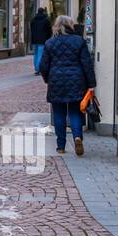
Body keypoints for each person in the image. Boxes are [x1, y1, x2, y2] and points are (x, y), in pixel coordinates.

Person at [38, 14, 95, 156]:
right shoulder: (79, 41)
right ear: (71, 25)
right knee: (75, 112)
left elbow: (43, 66)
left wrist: (47, 79)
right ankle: (77, 137)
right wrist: (91, 84)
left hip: (56, 81)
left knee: (59, 114)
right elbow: (86, 64)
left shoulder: (50, 43)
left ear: (56, 26)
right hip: (77, 81)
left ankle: (61, 146)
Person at [29, 7, 53, 73]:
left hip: (35, 39)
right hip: (43, 39)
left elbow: (31, 29)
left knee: (35, 54)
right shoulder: (46, 20)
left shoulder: (33, 20)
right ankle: (39, 68)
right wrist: (49, 38)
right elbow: (49, 30)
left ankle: (36, 68)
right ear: (43, 12)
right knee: (40, 54)